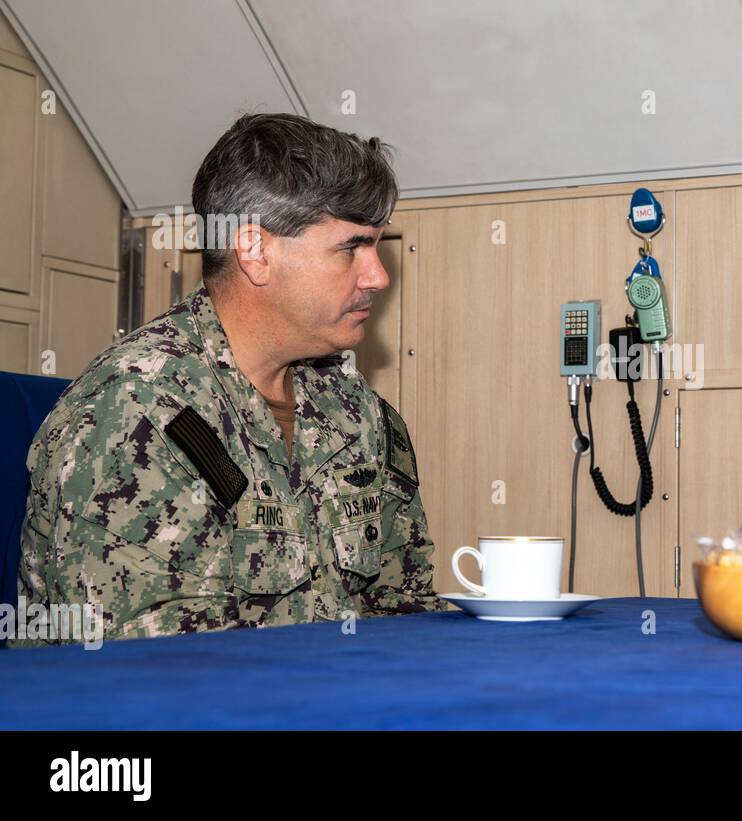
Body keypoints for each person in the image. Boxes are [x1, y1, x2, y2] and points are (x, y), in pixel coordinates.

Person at [17, 113, 440, 644]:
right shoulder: (137, 410)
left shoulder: (355, 411)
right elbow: (149, 670)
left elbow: (408, 611)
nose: (377, 275)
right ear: (256, 252)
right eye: (351, 247)